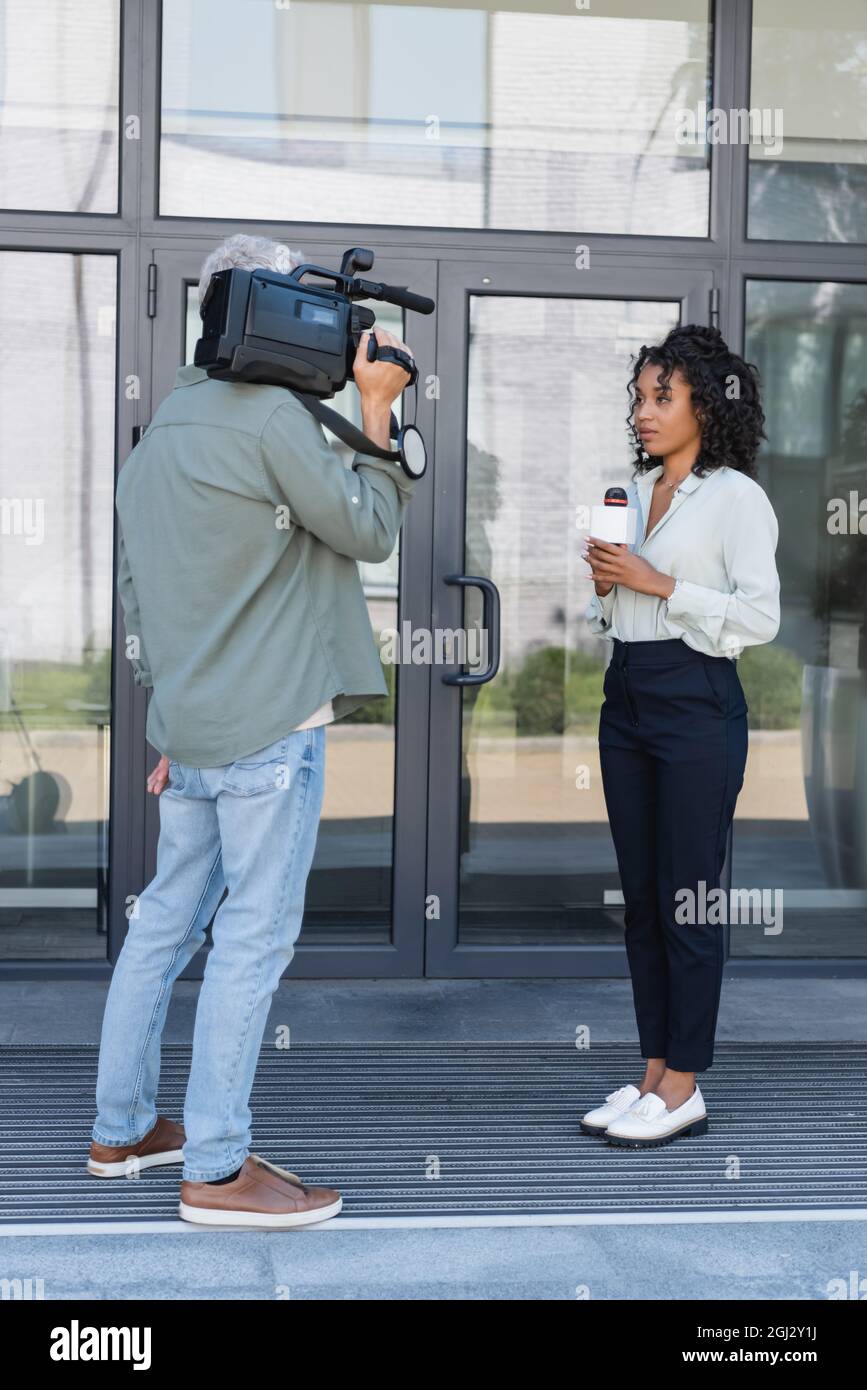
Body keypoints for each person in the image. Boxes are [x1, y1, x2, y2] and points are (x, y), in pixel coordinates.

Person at [88, 234, 419, 1227]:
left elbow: (145, 601)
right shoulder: (276, 419)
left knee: (163, 925)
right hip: (271, 729)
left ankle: (124, 1129)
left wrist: (169, 721)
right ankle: (217, 1166)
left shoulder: (159, 433)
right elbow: (365, 529)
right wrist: (376, 414)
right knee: (250, 939)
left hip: (191, 732)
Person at [580, 323, 780, 1148]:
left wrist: (661, 583)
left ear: (706, 402)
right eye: (639, 396)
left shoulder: (735, 496)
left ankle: (687, 1082)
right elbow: (622, 604)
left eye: (663, 396)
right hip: (626, 690)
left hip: (696, 697)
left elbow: (760, 615)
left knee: (686, 899)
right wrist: (610, 588)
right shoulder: (633, 488)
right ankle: (653, 1072)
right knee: (641, 902)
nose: (646, 410)